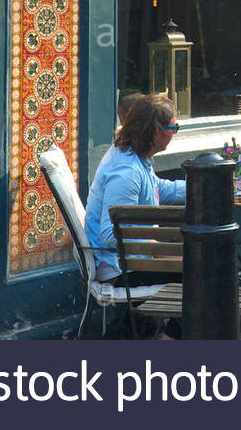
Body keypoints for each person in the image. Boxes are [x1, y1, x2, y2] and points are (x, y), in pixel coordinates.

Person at [84, 94, 185, 336]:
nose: (175, 133)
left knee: (203, 263)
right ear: (155, 131)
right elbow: (110, 234)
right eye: (173, 127)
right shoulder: (126, 172)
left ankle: (149, 330)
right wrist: (153, 246)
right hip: (122, 271)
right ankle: (169, 337)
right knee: (206, 270)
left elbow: (158, 188)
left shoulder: (135, 157)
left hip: (134, 260)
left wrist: (204, 186)